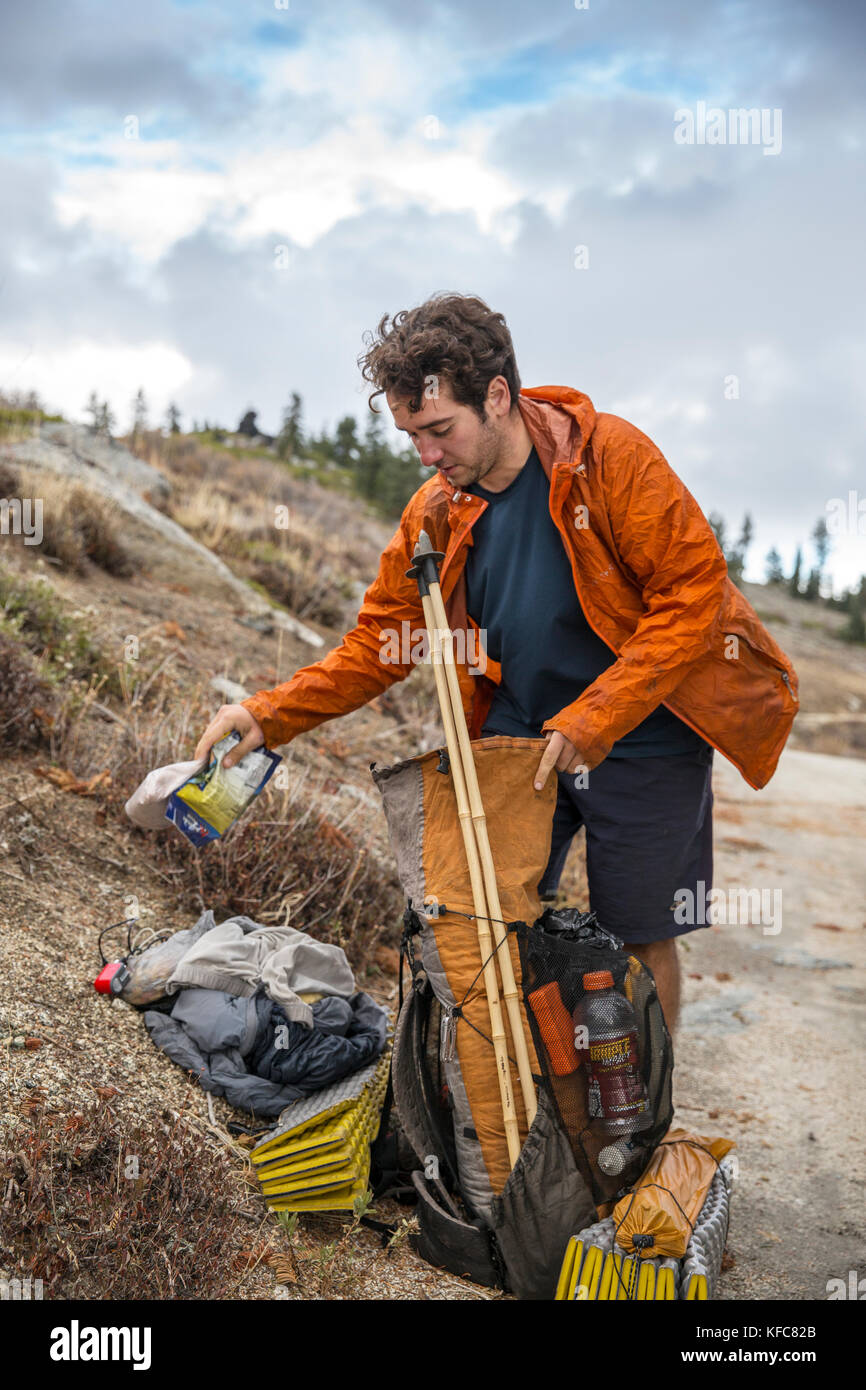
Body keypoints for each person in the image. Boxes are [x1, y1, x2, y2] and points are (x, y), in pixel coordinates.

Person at [194, 292, 798, 1033]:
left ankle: (643, 1102)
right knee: (485, 916)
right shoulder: (435, 511)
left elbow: (693, 597)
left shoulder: (611, 457)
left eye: (439, 429)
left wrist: (596, 717)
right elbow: (379, 644)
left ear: (499, 396)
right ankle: (516, 1089)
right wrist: (268, 714)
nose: (427, 455)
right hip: (519, 735)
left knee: (638, 934)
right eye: (411, 435)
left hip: (647, 731)